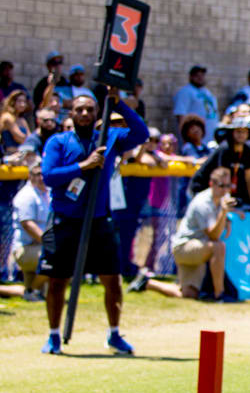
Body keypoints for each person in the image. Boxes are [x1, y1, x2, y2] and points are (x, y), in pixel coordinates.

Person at [39, 90, 148, 355]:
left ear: (98, 113)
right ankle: (54, 335)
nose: (85, 114)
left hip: (100, 221)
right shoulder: (59, 142)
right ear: (71, 114)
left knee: (112, 279)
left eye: (90, 109)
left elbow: (141, 133)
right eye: (80, 110)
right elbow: (49, 176)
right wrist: (83, 166)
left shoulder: (110, 137)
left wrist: (118, 102)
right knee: (57, 281)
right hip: (65, 221)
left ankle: (114, 335)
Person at [131, 166, 237, 300]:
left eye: (228, 186)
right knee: (218, 246)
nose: (225, 190)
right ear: (211, 184)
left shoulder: (222, 198)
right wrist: (223, 213)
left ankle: (146, 282)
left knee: (188, 295)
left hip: (200, 248)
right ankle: (220, 295)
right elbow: (213, 235)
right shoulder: (202, 202)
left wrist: (229, 217)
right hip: (184, 248)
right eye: (221, 185)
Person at [189, 116, 250, 209]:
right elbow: (223, 177)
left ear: (248, 134)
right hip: (202, 188)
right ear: (232, 132)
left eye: (244, 132)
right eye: (238, 131)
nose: (241, 135)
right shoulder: (225, 148)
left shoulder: (247, 151)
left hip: (218, 190)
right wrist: (227, 202)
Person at [11, 160, 51, 301]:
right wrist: (50, 244)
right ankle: (32, 291)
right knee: (59, 258)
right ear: (29, 176)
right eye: (37, 174)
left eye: (43, 174)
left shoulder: (47, 193)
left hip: (39, 246)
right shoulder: (27, 195)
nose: (41, 178)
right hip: (26, 248)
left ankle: (32, 290)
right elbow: (28, 224)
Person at [173, 66, 218, 144]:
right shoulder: (186, 92)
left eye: (202, 75)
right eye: (197, 75)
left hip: (210, 139)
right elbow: (181, 115)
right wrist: (185, 140)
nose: (200, 78)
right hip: (194, 140)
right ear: (191, 77)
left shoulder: (207, 92)